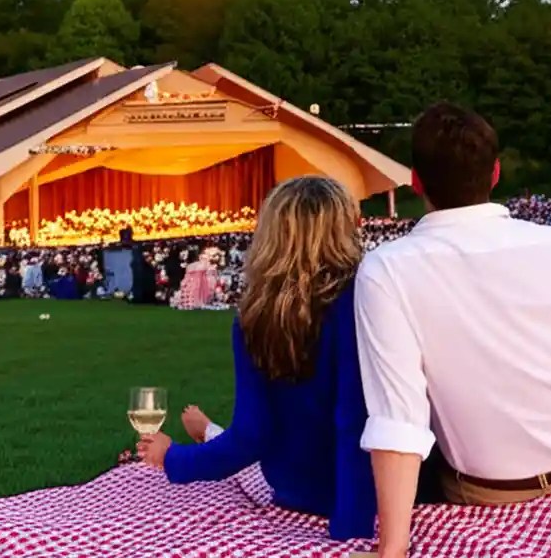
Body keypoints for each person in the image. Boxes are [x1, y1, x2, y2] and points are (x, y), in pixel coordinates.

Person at [354, 102, 551, 558]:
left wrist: (392, 550)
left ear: (415, 180)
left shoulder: (386, 269)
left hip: (485, 488)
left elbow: (398, 418)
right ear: (495, 173)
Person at [136, 176, 377, 540]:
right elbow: (353, 423)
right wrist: (351, 532)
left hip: (297, 491)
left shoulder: (254, 319)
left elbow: (251, 435)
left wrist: (173, 457)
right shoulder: (359, 301)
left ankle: (205, 431)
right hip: (365, 495)